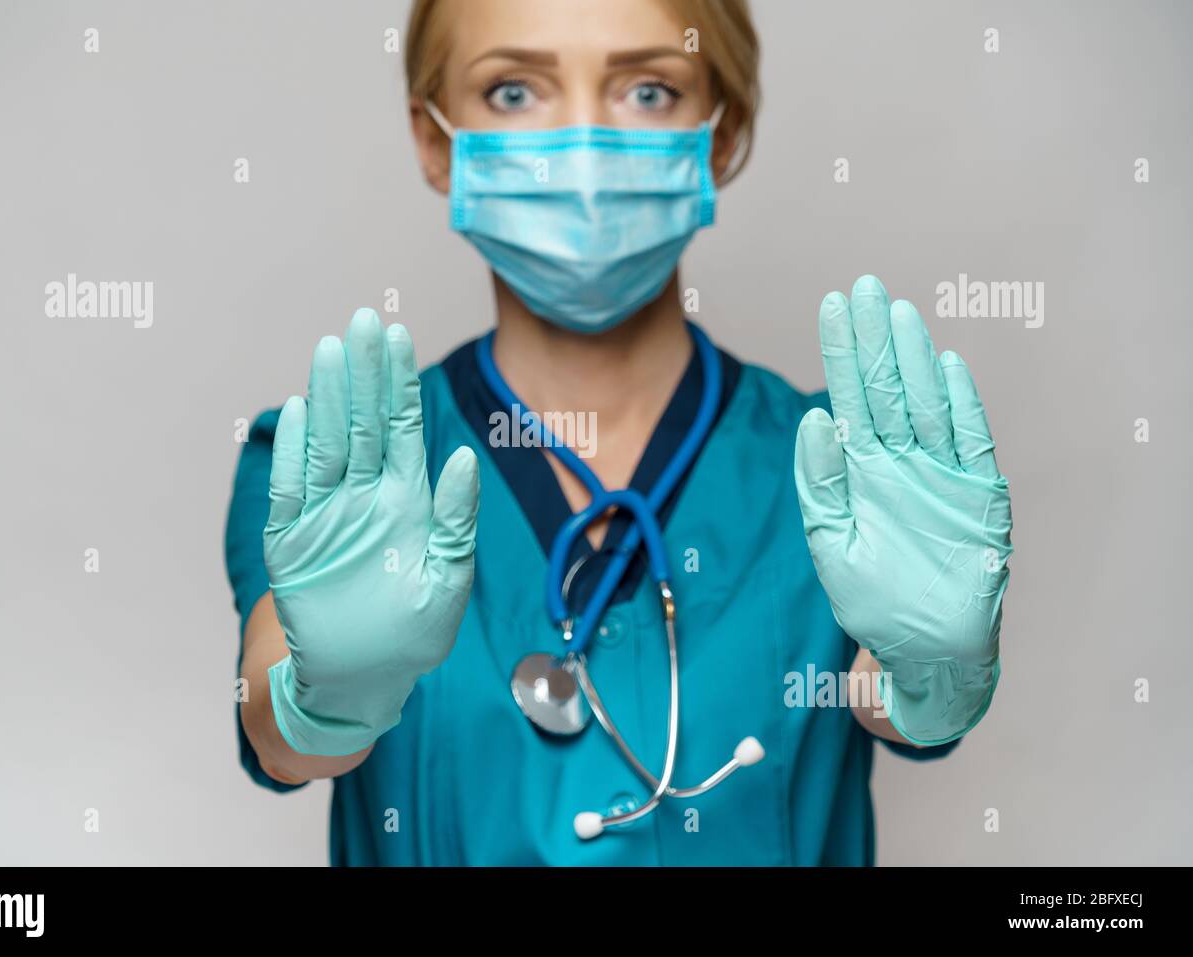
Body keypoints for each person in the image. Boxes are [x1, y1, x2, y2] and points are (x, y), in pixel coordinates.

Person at [224, 0, 1013, 865]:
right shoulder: (330, 471)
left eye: (647, 89)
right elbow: (280, 735)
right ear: (434, 140)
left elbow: (883, 702)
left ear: (720, 130)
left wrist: (936, 675)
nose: (585, 147)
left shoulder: (848, 468)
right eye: (515, 91)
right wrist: (324, 697)